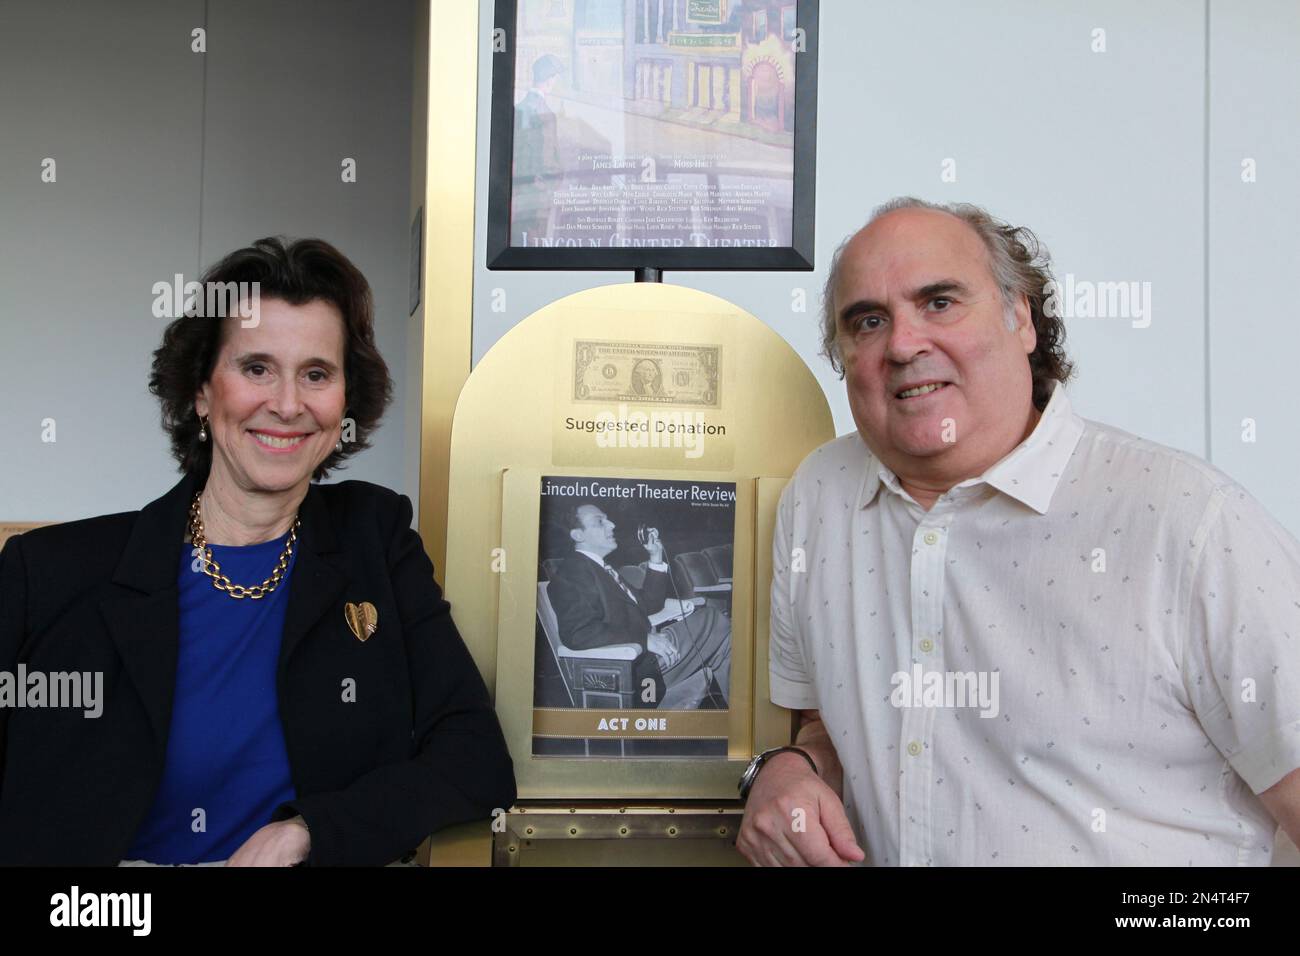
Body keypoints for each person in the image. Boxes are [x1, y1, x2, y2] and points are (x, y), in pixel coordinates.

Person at [737, 197, 1300, 866]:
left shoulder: (1190, 521)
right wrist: (787, 770)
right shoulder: (817, 499)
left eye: (940, 302)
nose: (904, 344)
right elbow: (832, 723)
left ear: (1021, 318)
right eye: (868, 320)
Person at [0, 237, 516, 865]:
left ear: (345, 401)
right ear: (200, 391)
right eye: (256, 368)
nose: (288, 404)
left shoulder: (374, 540)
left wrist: (310, 830)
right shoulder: (48, 573)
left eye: (317, 374)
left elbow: (474, 756)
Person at [546, 502, 731, 709]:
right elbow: (578, 632)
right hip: (634, 665)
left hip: (648, 651)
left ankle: (726, 711)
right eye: (600, 522)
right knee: (713, 618)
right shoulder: (573, 573)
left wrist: (655, 556)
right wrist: (643, 640)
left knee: (726, 643)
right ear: (578, 535)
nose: (612, 524)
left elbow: (648, 604)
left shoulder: (601, 568)